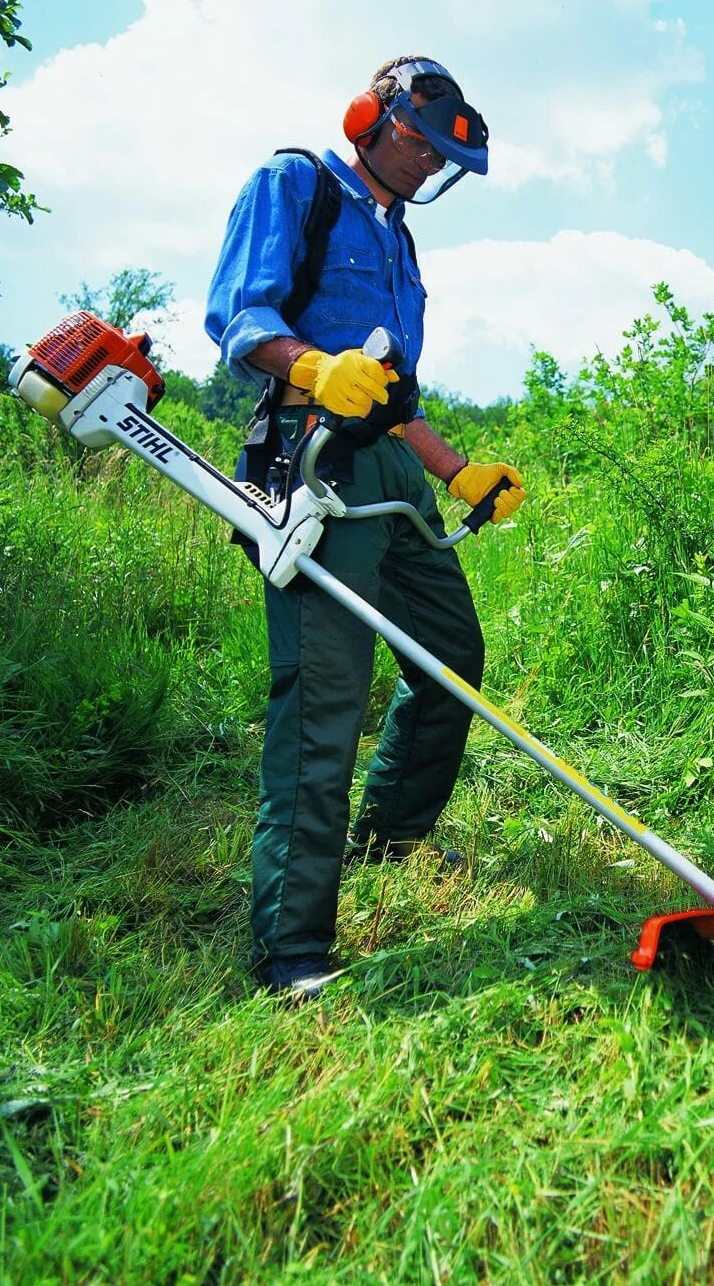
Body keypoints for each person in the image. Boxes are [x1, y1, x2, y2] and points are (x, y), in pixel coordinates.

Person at [204, 55, 524, 999]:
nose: (427, 167)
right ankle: (292, 945)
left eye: (440, 160)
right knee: (325, 696)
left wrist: (457, 470)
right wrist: (313, 369)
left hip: (390, 469)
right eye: (418, 145)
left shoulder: (402, 242)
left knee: (448, 655)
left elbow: (393, 398)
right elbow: (237, 318)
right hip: (314, 458)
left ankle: (390, 838)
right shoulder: (295, 184)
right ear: (370, 119)